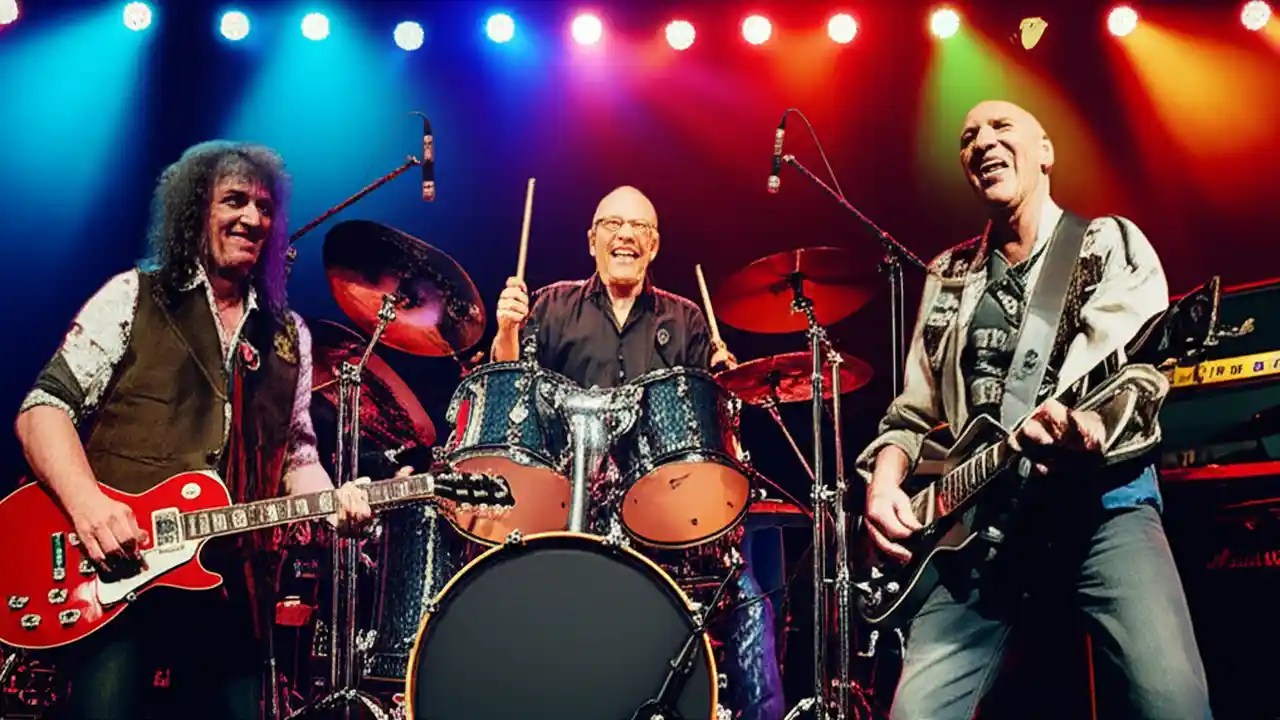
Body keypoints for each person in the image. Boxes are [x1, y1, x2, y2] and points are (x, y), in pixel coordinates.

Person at [855, 100, 1211, 719]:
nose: (982, 142)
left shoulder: (1107, 243)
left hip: (1102, 512)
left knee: (1172, 703)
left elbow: (1135, 377)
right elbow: (912, 415)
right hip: (980, 536)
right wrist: (884, 482)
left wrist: (1085, 427)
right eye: (968, 137)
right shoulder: (948, 275)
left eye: (1000, 128)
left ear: (1045, 151)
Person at [14, 141, 374, 720]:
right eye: (235, 201)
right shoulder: (134, 296)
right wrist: (88, 506)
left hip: (232, 593)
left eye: (264, 208)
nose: (253, 219)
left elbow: (296, 453)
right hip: (118, 578)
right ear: (195, 210)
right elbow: (42, 409)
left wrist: (333, 502)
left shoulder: (289, 337)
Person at [491, 185, 785, 720]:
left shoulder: (687, 317)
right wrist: (507, 332)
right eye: (612, 225)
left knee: (748, 600)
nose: (625, 235)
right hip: (571, 510)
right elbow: (513, 391)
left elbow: (704, 423)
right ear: (592, 241)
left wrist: (723, 380)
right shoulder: (552, 306)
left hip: (666, 512)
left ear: (653, 246)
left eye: (639, 229)